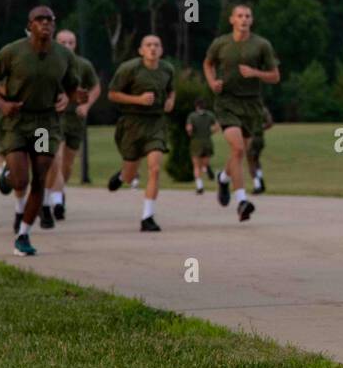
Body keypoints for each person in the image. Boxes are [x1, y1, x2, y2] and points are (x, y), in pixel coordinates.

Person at [0, 6, 87, 256]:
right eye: (39, 20)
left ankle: (23, 234)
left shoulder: (64, 55)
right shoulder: (12, 52)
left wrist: (76, 96)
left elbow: (71, 87)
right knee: (20, 179)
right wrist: (1, 103)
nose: (45, 23)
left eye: (50, 20)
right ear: (29, 25)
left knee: (40, 176)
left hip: (44, 124)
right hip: (17, 121)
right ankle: (6, 176)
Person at [203, 4, 280, 221]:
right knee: (237, 148)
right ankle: (242, 201)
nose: (244, 19)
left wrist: (254, 72)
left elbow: (275, 76)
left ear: (251, 20)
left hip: (251, 105)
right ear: (232, 20)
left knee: (240, 152)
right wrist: (212, 82)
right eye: (240, 16)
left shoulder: (262, 45)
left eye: (247, 16)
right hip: (226, 102)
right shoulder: (221, 43)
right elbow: (207, 63)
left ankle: (223, 178)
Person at [106, 34, 174, 231]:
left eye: (156, 45)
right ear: (141, 50)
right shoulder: (129, 69)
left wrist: (170, 101)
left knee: (154, 168)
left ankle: (147, 217)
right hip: (132, 123)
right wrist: (138, 100)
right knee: (129, 175)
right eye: (148, 45)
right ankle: (122, 177)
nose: (153, 48)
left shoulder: (167, 69)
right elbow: (112, 94)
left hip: (156, 123)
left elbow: (171, 90)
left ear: (161, 50)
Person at [43, 29, 101, 224]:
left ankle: (57, 192)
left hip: (75, 118)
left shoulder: (83, 66)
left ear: (75, 45)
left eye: (71, 42)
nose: (67, 46)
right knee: (55, 159)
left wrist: (86, 105)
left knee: (67, 164)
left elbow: (96, 87)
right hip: (52, 118)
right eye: (62, 42)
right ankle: (55, 201)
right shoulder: (47, 62)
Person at [185, 99, 219, 194]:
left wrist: (190, 133)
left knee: (196, 166)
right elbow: (216, 127)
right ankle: (205, 168)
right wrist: (210, 132)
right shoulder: (210, 115)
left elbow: (189, 129)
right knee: (205, 163)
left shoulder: (192, 116)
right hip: (207, 141)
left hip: (196, 142)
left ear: (196, 106)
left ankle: (200, 186)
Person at [246, 105, 275, 194]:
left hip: (251, 138)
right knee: (256, 160)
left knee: (250, 161)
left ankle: (257, 185)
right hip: (260, 138)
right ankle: (260, 180)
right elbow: (270, 123)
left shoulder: (247, 108)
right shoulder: (263, 109)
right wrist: (260, 128)